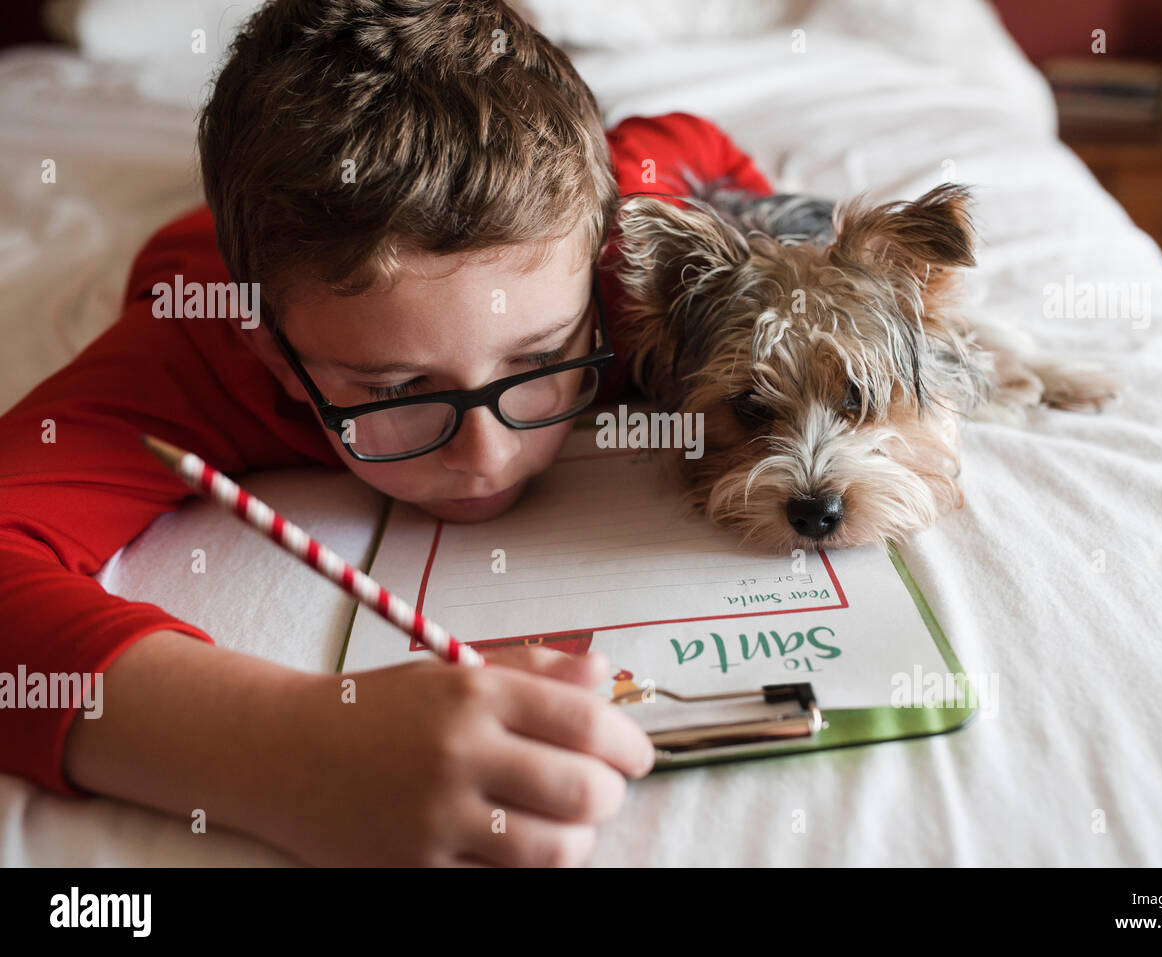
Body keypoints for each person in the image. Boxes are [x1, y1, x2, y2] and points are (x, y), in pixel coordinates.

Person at [0, 0, 771, 866]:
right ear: (280, 358)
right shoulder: (203, 342)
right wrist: (290, 755)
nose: (488, 454)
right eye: (397, 389)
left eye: (545, 355)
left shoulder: (628, 253)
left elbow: (698, 146)